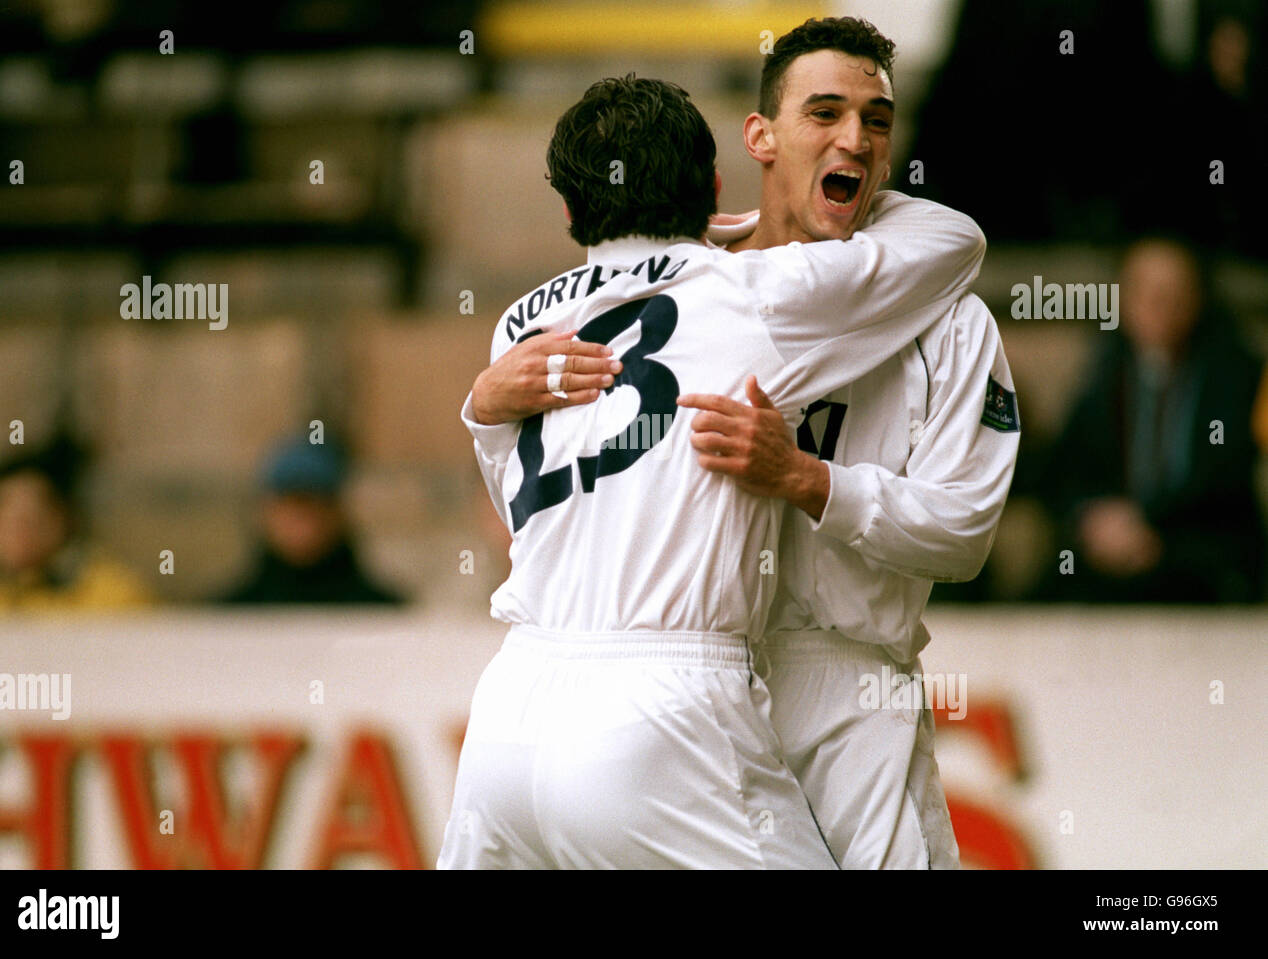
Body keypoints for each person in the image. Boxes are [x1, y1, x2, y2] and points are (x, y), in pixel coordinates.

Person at [465, 17, 1020, 868]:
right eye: (825, 113)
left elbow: (963, 533)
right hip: (689, 678)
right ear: (758, 137)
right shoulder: (735, 290)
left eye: (877, 121)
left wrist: (810, 480)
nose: (856, 140)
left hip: (840, 688)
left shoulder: (948, 318)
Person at [1034, 235, 1264, 603]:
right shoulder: (1105, 372)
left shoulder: (1234, 372)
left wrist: (1147, 524)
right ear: (1124, 300)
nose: (1160, 305)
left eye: (1174, 292)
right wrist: (1093, 520)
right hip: (1106, 553)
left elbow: (1227, 477)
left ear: (1197, 298)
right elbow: (1063, 472)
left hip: (1198, 552)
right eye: (1146, 291)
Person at [0, 439, 152, 610]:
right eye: (6, 515)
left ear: (65, 519)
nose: (20, 527)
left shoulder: (112, 595)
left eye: (34, 515)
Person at [222, 437, 406, 605]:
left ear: (338, 512)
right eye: (290, 503)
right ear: (265, 512)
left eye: (313, 503)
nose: (301, 519)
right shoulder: (225, 617)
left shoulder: (380, 611)